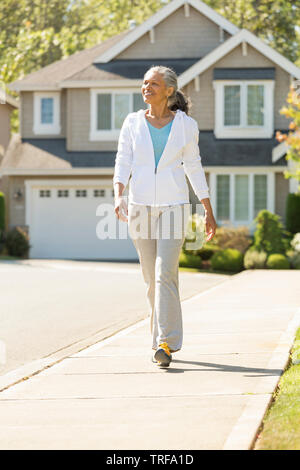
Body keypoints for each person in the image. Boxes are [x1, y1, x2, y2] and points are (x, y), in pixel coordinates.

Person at [113, 65, 217, 367]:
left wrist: (207, 208)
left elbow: (193, 167)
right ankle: (159, 339)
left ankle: (165, 343)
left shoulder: (186, 125)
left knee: (164, 274)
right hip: (140, 206)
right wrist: (119, 194)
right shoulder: (132, 123)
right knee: (150, 279)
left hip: (174, 206)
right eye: (145, 83)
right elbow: (123, 160)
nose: (147, 88)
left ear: (169, 90)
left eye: (154, 84)